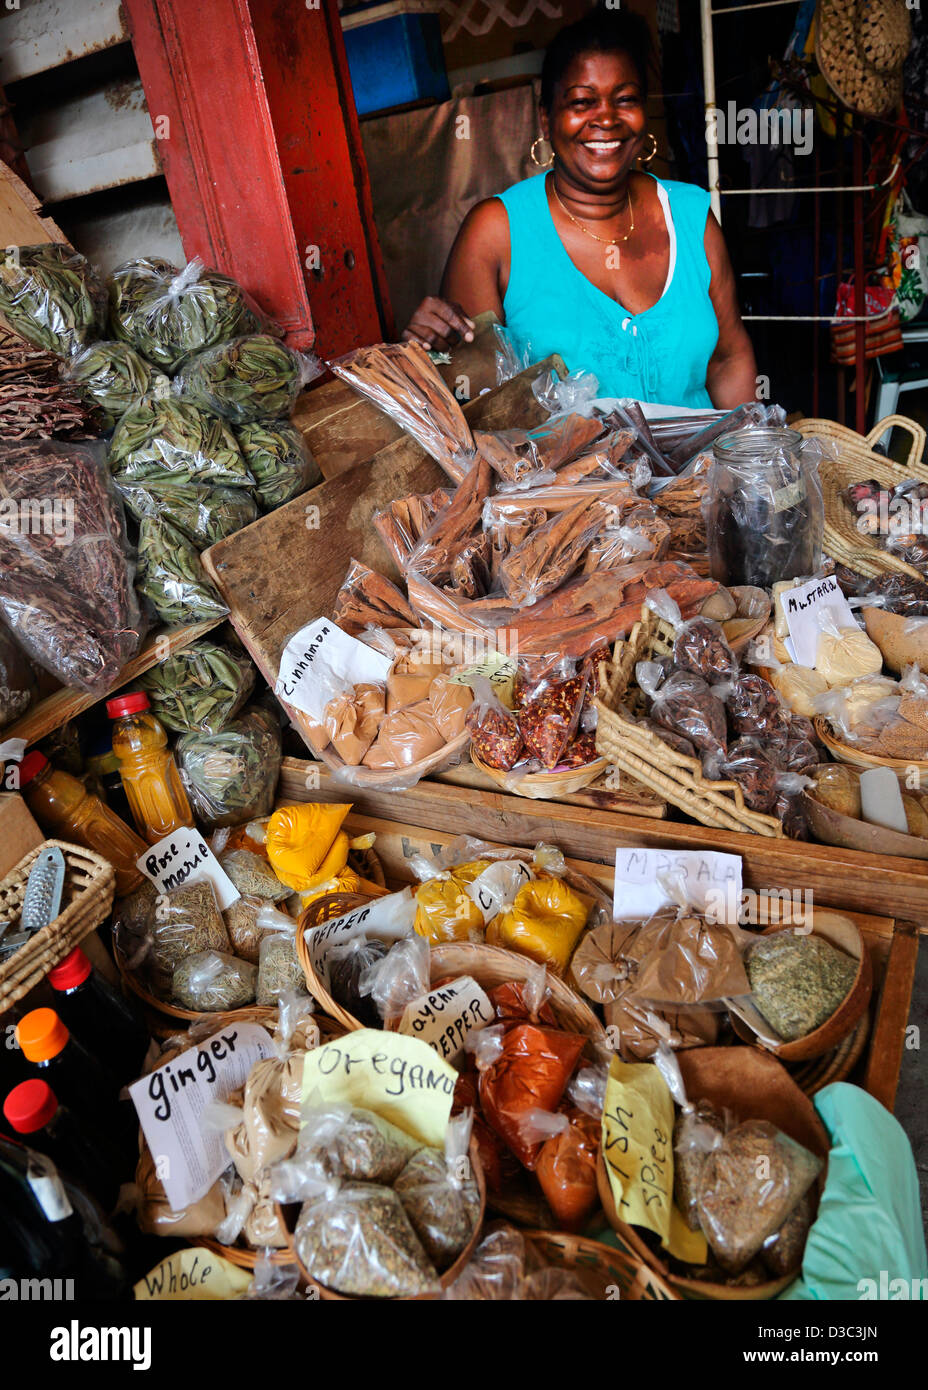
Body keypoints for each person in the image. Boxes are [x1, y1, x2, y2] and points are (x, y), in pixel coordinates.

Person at [402, 9, 757, 409]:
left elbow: (729, 360)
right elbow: (479, 401)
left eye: (625, 100)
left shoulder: (691, 218)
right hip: (571, 473)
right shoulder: (498, 233)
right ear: (546, 119)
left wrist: (753, 459)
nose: (606, 118)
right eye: (582, 102)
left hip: (704, 468)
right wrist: (432, 349)